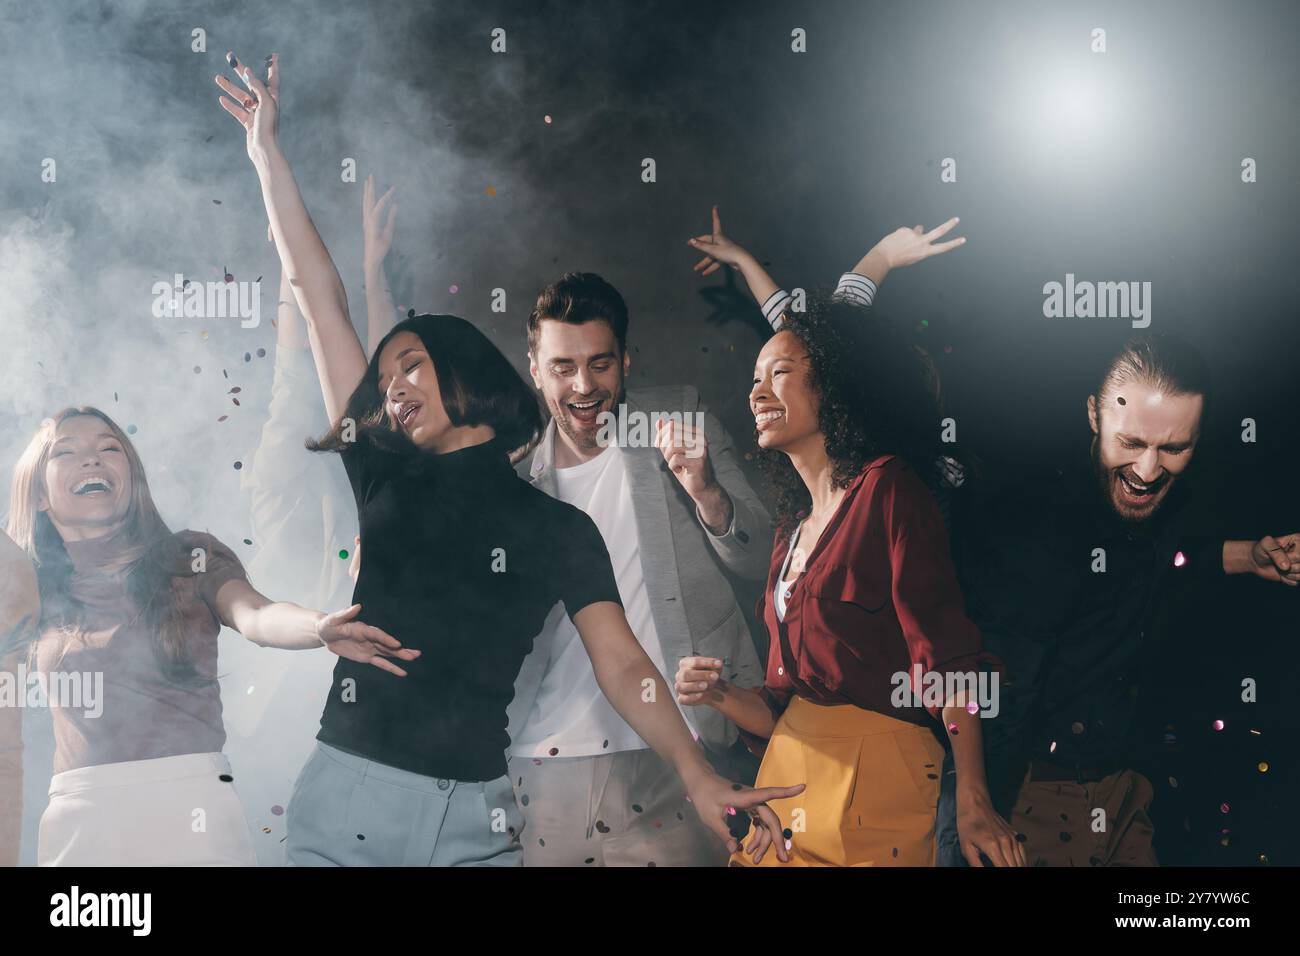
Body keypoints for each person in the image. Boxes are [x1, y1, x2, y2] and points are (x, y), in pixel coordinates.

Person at [214, 52, 802, 866]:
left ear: (468, 374)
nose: (391, 389)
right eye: (384, 380)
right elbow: (322, 299)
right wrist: (267, 158)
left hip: (477, 819)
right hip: (351, 796)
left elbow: (626, 662)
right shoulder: (384, 471)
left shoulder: (559, 526)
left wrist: (697, 775)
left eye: (410, 365)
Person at [936, 333, 1300, 866]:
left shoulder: (1159, 515)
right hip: (1029, 797)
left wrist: (1249, 556)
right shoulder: (1033, 531)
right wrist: (970, 805)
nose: (1149, 471)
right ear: (1093, 416)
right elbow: (973, 676)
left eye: (1175, 449)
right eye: (1130, 444)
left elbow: (1164, 560)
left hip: (1126, 791)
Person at [3, 407, 416, 866]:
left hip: (193, 804)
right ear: (38, 492)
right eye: (66, 451)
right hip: (82, 819)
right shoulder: (25, 585)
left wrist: (318, 628)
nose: (92, 460)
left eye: (108, 448)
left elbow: (255, 613)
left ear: (132, 477)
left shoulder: (187, 556)